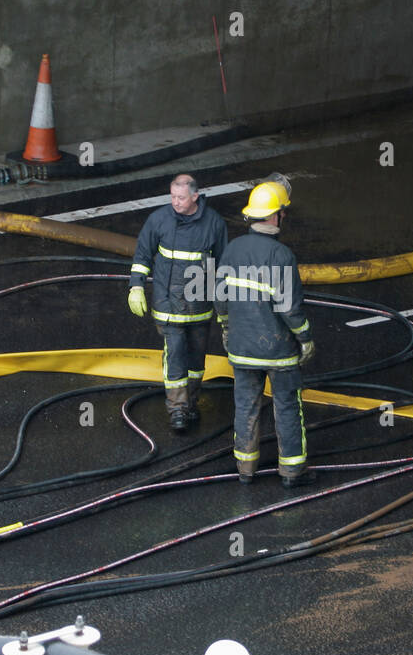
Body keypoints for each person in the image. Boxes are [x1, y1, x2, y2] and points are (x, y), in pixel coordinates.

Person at [215, 179, 316, 488]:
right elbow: (290, 310)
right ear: (275, 216)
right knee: (286, 405)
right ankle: (291, 472)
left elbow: (219, 296)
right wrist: (305, 338)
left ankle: (245, 470)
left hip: (243, 346)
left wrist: (225, 326)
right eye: (282, 212)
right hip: (279, 350)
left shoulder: (232, 250)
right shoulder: (282, 256)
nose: (283, 217)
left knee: (245, 404)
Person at [127, 174, 229, 431]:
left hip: (199, 307)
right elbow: (142, 254)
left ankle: (191, 402)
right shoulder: (159, 220)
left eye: (181, 198)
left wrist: (224, 307)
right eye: (172, 196)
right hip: (168, 304)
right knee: (175, 356)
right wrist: (136, 284)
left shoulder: (214, 223)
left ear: (195, 196)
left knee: (196, 360)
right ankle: (177, 409)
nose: (175, 202)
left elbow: (223, 266)